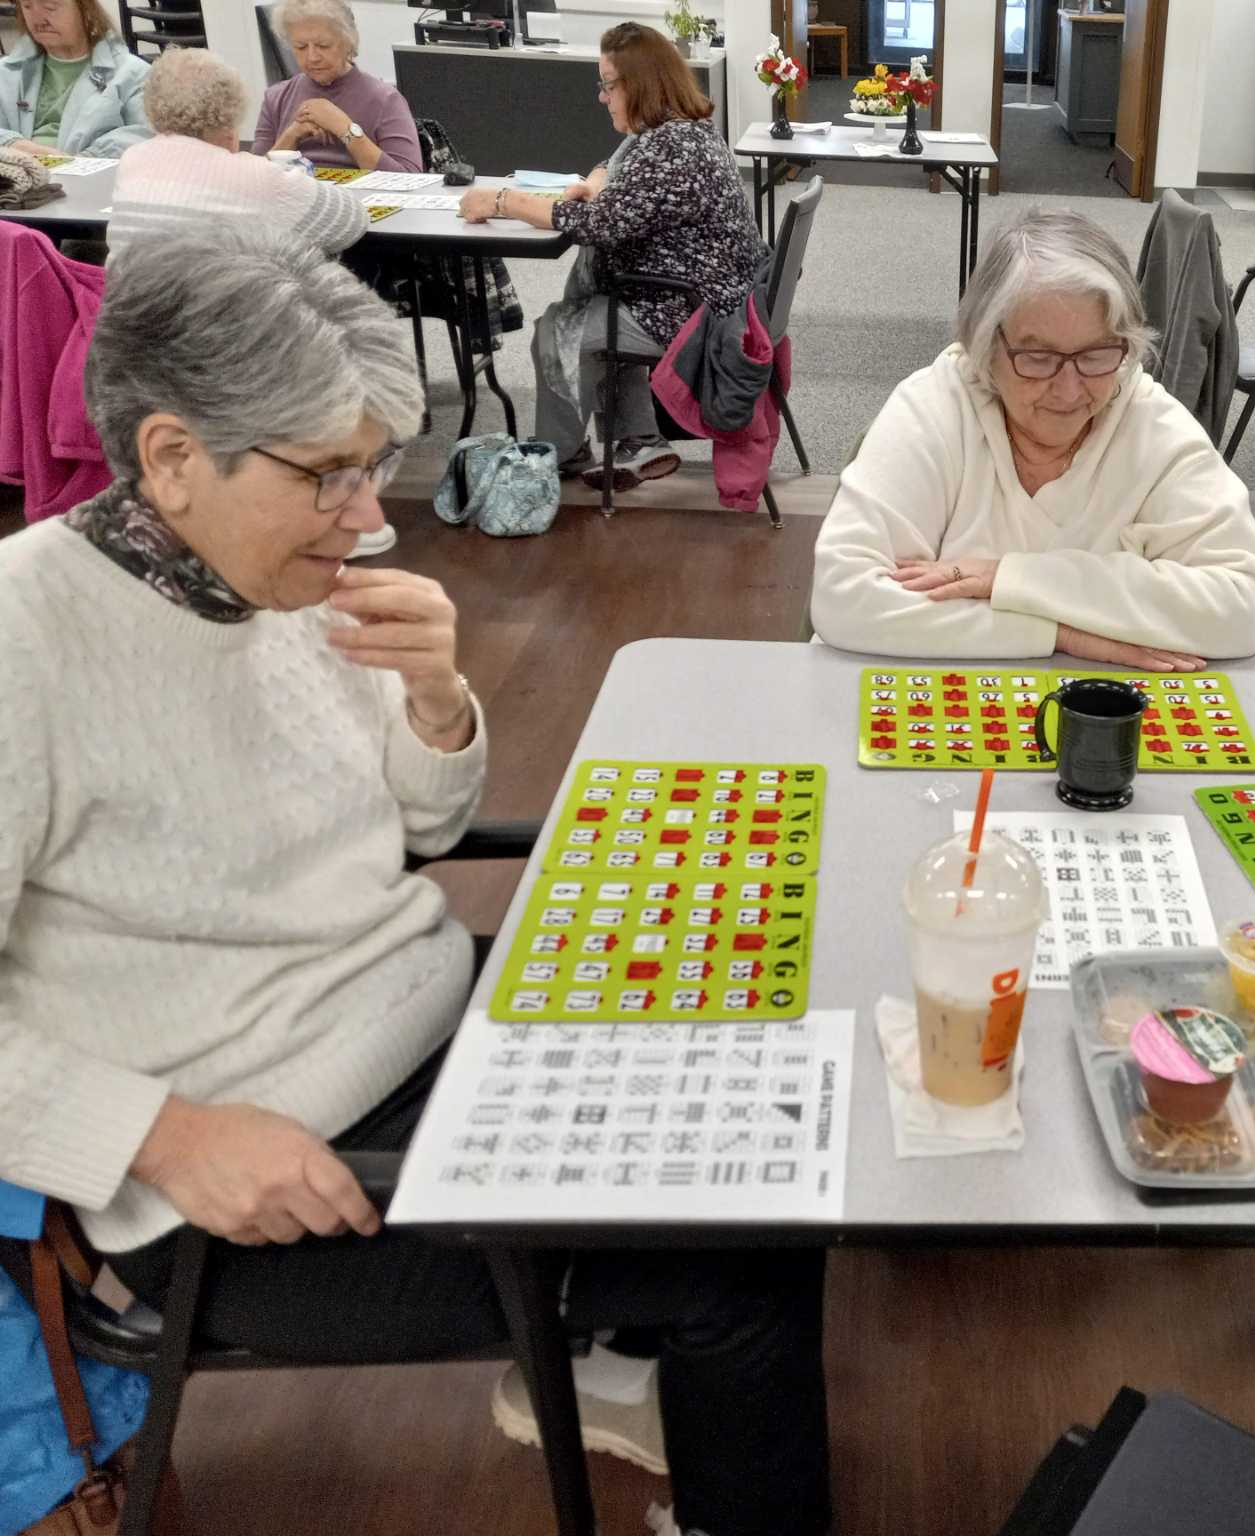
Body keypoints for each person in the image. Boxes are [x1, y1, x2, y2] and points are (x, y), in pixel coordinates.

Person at [0, 234, 830, 1536]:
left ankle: (617, 1364)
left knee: (759, 1052)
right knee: (749, 1253)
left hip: (430, 1028)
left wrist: (437, 699)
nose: (368, 515)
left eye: (374, 464)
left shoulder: (278, 574)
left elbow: (422, 828)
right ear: (170, 456)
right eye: (328, 474)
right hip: (264, 1178)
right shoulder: (27, 643)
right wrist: (163, 1138)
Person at [808, 208, 1255, 665]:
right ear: (984, 348)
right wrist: (1063, 634)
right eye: (1037, 359)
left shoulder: (1153, 425)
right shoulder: (933, 407)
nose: (1069, 390)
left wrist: (1009, 579)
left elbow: (1243, 607)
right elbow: (843, 599)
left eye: (1096, 355)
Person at [458, 22, 765, 490]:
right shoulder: (680, 131)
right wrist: (597, 181)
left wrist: (503, 201)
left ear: (638, 85)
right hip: (705, 297)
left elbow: (597, 225)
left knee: (558, 330)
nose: (602, 97)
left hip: (695, 314)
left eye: (608, 85)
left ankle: (558, 457)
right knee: (591, 313)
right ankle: (638, 440)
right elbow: (614, 165)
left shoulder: (671, 147)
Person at [108, 47, 367, 263]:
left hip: (132, 307)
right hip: (217, 309)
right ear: (231, 112)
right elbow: (350, 222)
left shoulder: (133, 160)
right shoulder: (255, 177)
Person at [250, 0, 423, 174]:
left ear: (348, 42)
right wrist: (292, 135)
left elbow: (409, 177)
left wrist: (345, 128)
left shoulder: (385, 100)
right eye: (301, 47)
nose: (312, 57)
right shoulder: (276, 97)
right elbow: (253, 177)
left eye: (323, 46)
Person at [0, 0, 148, 160]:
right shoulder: (6, 72)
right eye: (27, 7)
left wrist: (88, 159)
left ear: (86, 9)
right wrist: (12, 143)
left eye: (50, 7)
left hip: (95, 172)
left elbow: (145, 134)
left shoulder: (133, 74)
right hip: (16, 170)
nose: (38, 20)